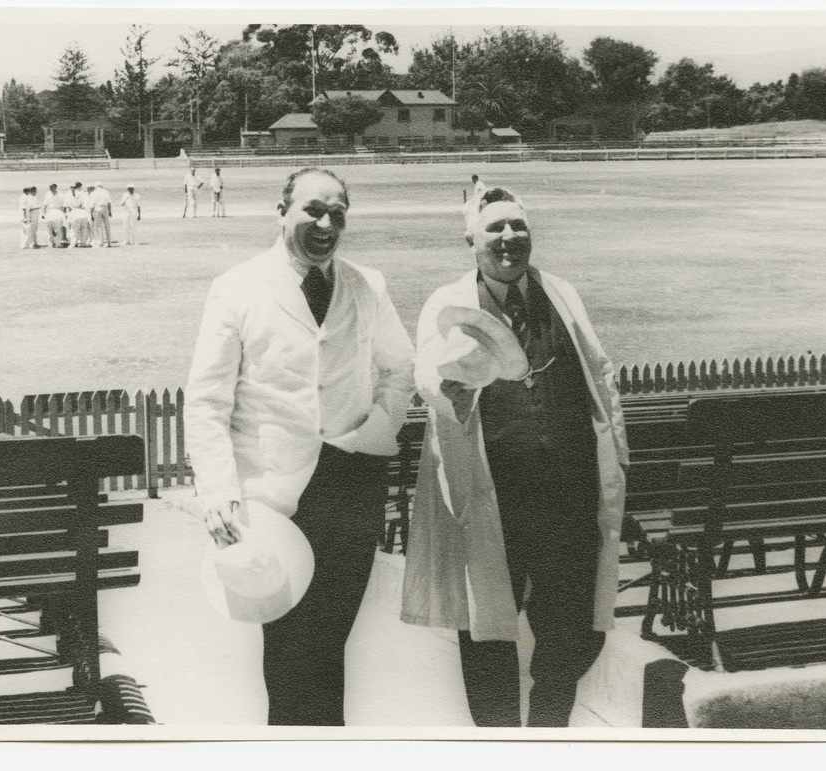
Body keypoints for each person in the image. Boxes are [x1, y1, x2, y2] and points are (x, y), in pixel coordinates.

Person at [185, 167, 415, 726]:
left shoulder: (368, 285)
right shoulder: (236, 288)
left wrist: (372, 436)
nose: (326, 223)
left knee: (331, 643)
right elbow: (207, 400)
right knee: (288, 648)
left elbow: (400, 366)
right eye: (313, 209)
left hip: (349, 485)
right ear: (281, 210)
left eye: (338, 213)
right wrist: (219, 491)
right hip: (272, 495)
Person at [401, 185, 629, 728]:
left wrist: (616, 461)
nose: (509, 239)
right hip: (494, 497)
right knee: (486, 635)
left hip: (568, 498)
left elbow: (600, 376)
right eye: (495, 229)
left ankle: (548, 744)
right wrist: (450, 383)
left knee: (571, 634)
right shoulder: (447, 303)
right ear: (470, 241)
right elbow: (430, 375)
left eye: (518, 227)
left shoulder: (562, 296)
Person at [88, 182, 113, 247]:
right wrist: (110, 211)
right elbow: (109, 203)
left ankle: (99, 242)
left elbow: (91, 205)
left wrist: (91, 214)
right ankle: (109, 242)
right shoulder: (106, 192)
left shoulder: (93, 193)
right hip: (105, 208)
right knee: (107, 226)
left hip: (97, 209)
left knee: (98, 226)